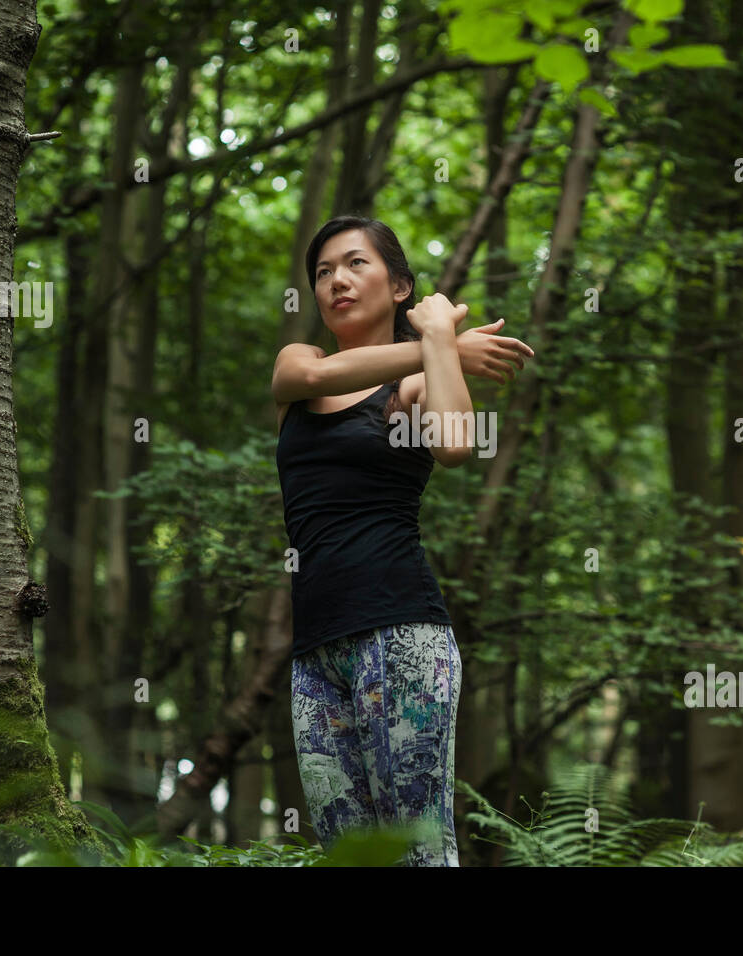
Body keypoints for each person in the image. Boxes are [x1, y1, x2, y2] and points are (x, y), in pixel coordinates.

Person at [272, 216, 534, 865]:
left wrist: (441, 343)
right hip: (315, 653)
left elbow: (453, 445)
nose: (336, 280)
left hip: (401, 636)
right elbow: (302, 382)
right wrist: (440, 342)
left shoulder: (409, 389)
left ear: (400, 288)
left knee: (420, 853)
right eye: (324, 271)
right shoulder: (301, 364)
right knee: (353, 856)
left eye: (356, 264)